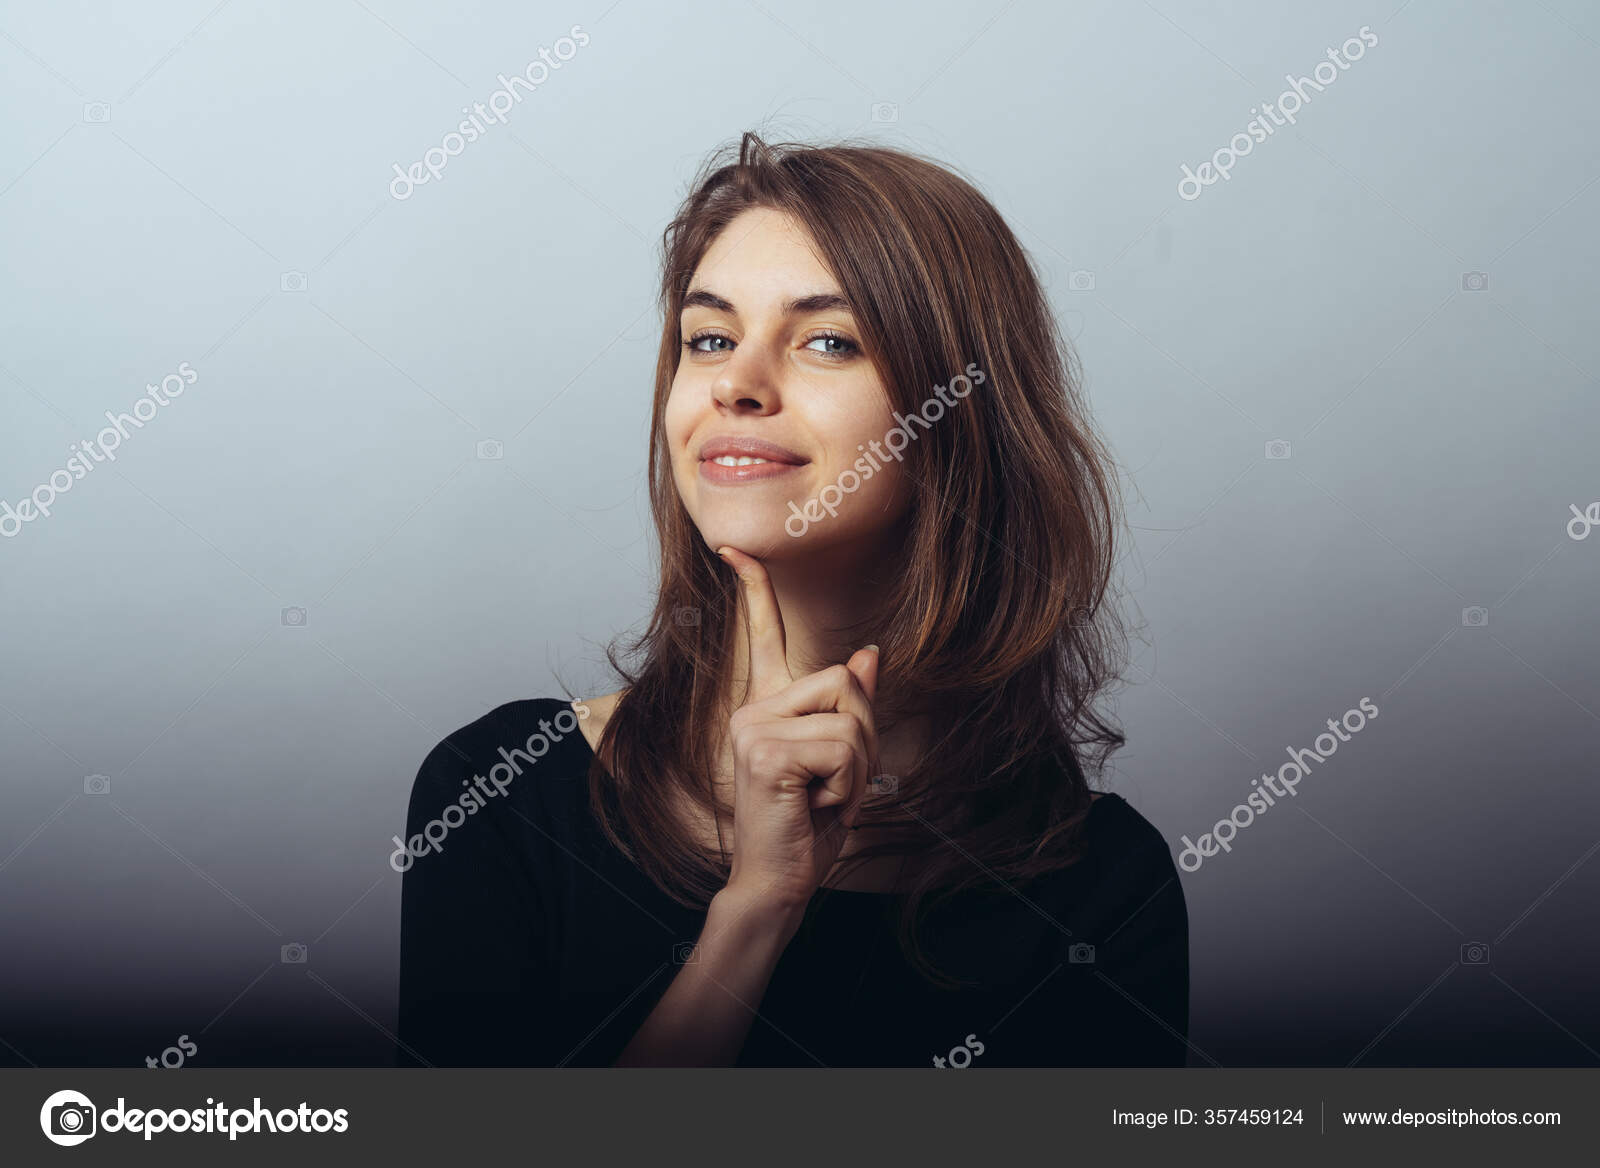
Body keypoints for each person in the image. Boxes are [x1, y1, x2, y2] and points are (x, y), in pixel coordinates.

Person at [397, 132, 1189, 1067]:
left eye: (828, 342)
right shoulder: (503, 789)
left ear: (960, 413)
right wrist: (759, 906)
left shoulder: (1105, 887)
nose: (736, 384)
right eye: (710, 339)